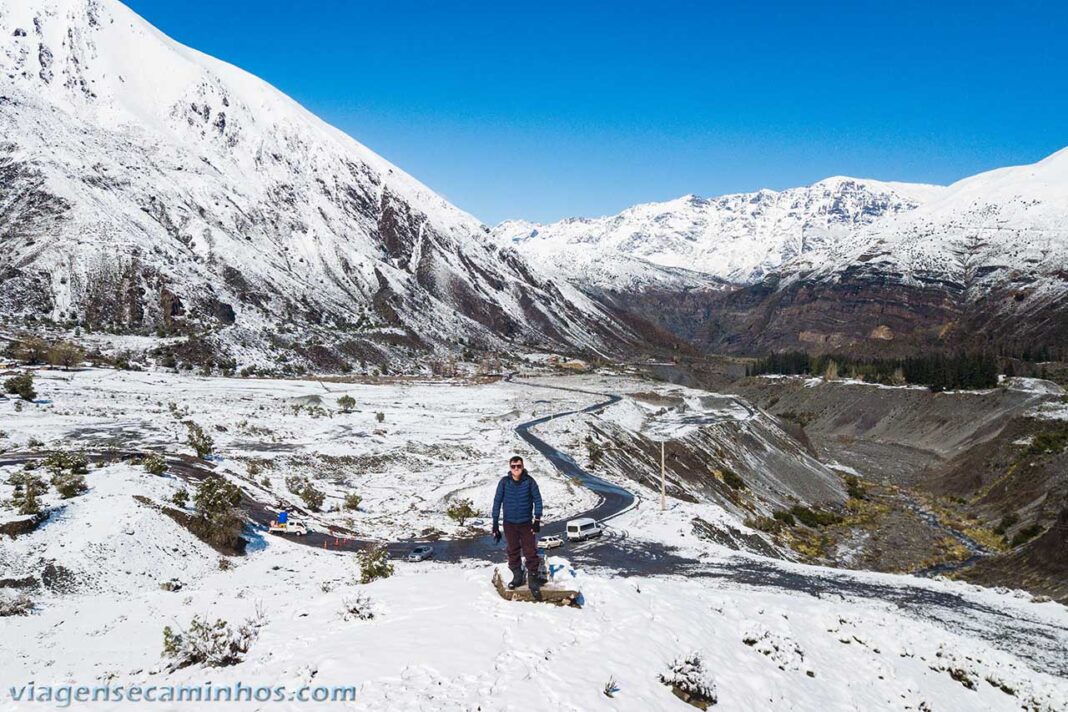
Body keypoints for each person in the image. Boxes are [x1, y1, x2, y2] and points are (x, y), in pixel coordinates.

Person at [491, 455, 545, 596]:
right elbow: (497, 502)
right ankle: (518, 576)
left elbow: (538, 500)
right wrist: (495, 524)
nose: (516, 469)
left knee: (530, 551)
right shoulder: (504, 482)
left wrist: (537, 520)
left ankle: (533, 580)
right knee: (512, 550)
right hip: (509, 523)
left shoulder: (530, 482)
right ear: (510, 467)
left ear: (523, 466)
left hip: (526, 523)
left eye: (518, 466)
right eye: (513, 466)